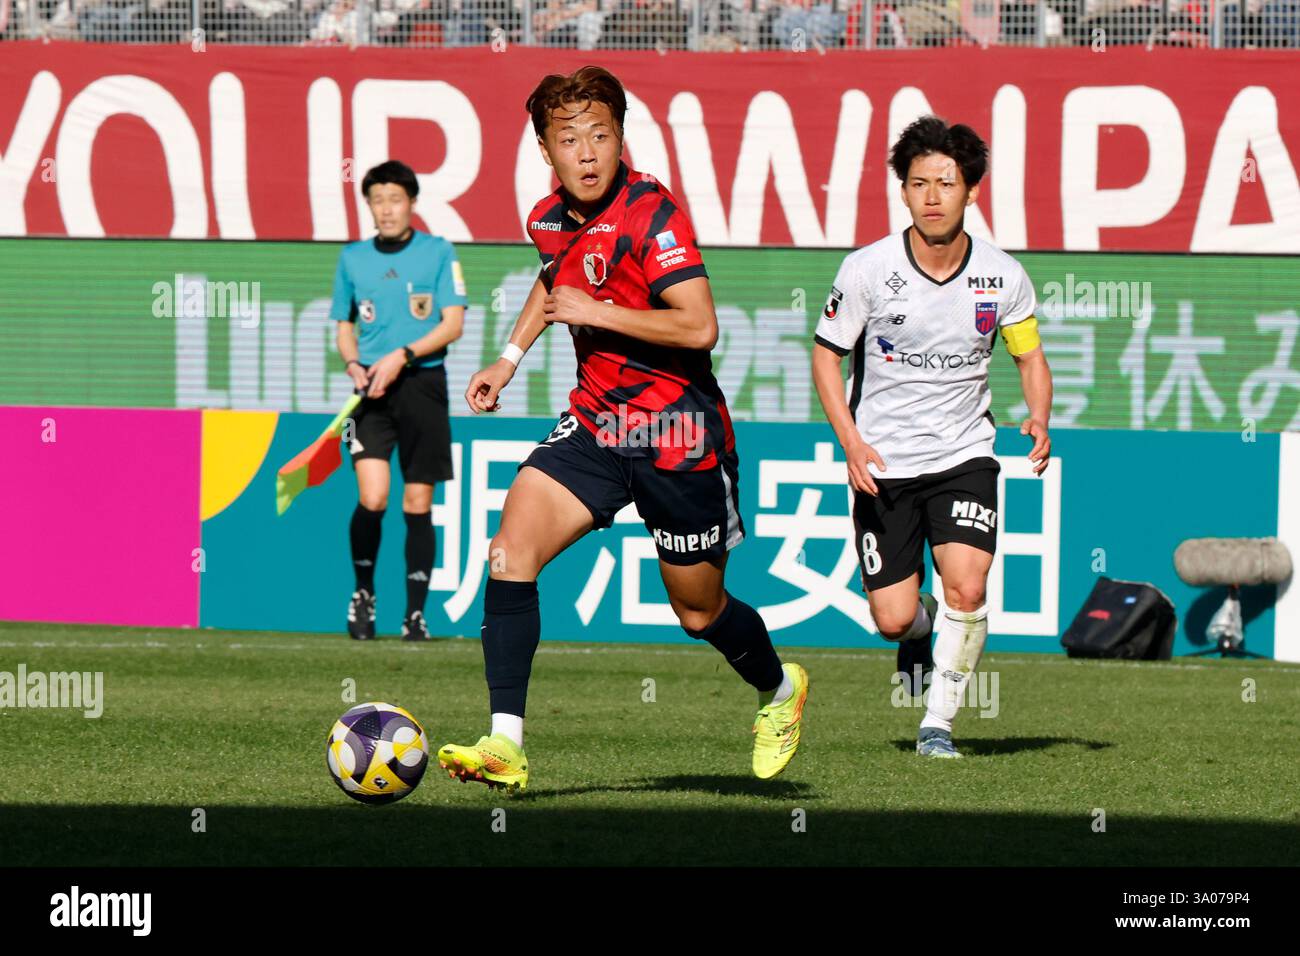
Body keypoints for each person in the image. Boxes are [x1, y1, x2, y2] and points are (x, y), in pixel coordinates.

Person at [438, 66, 808, 792]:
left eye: (600, 135)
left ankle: (779, 689)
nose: (586, 152)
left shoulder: (653, 214)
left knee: (699, 613)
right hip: (597, 424)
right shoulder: (547, 217)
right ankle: (505, 745)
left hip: (677, 436)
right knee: (510, 551)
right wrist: (509, 360)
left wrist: (597, 313)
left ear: (620, 138)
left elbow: (699, 326)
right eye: (568, 139)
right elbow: (556, 279)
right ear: (545, 150)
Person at [811, 116, 1053, 759]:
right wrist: (851, 441)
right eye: (920, 183)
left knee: (968, 587)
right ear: (904, 191)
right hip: (882, 463)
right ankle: (915, 634)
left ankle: (937, 725)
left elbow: (1028, 355)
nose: (934, 195)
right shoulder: (867, 269)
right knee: (891, 616)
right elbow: (825, 355)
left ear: (971, 190)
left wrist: (1039, 415)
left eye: (947, 182)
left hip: (964, 454)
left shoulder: (1002, 277)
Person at [329, 160, 467, 641]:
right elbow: (344, 327)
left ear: (411, 203)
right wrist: (353, 364)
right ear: (368, 205)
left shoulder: (437, 252)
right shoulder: (352, 258)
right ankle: (363, 594)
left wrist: (402, 356)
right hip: (370, 394)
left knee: (416, 501)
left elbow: (452, 324)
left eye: (395, 199)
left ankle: (415, 615)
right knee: (372, 496)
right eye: (377, 200)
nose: (386, 210)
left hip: (423, 387)